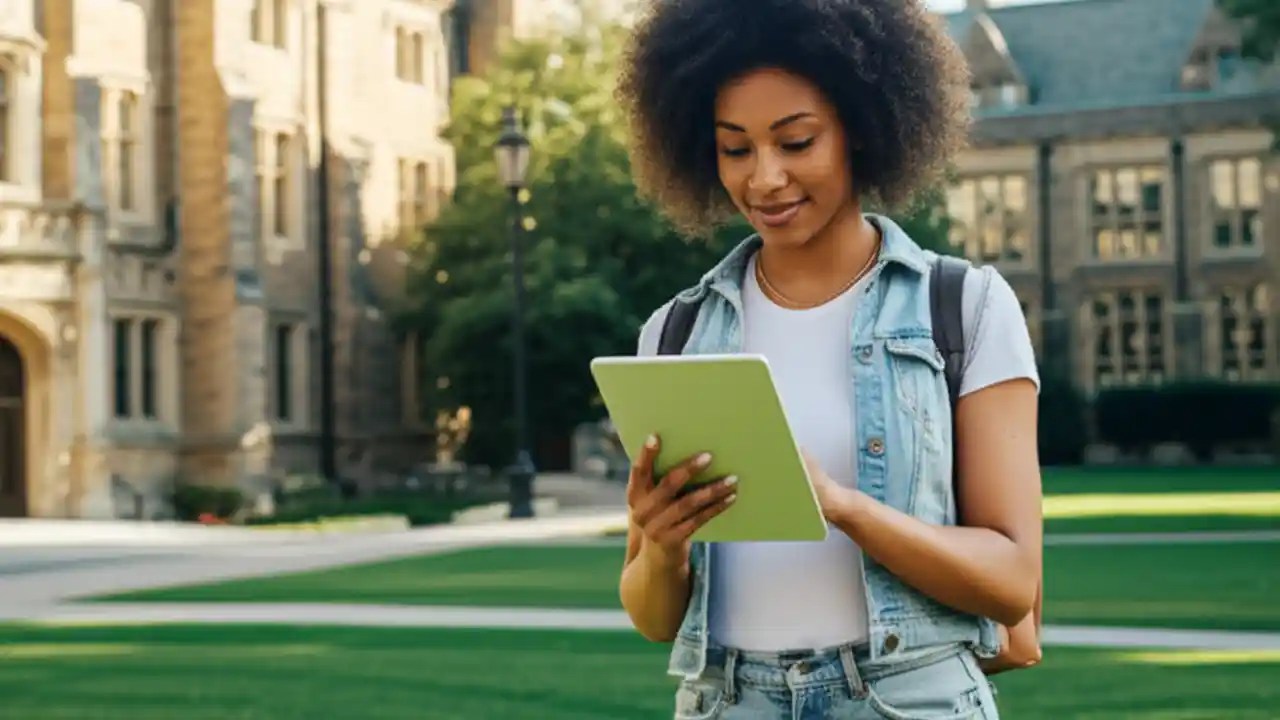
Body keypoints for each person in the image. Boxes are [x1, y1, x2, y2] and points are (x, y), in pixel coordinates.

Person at [614, 1, 1044, 718]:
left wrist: (843, 507)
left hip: (907, 701)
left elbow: (1012, 582)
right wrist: (662, 548)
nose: (765, 178)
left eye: (796, 141)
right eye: (736, 149)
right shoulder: (675, 332)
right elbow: (654, 618)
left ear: (861, 129)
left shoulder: (965, 307)